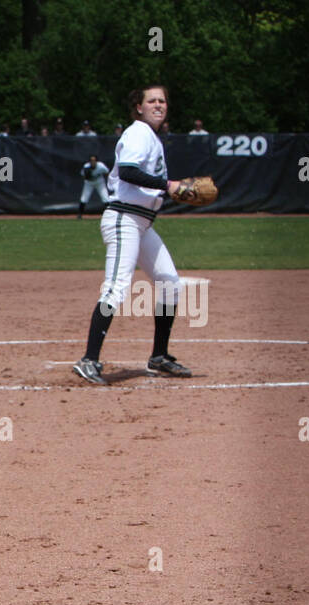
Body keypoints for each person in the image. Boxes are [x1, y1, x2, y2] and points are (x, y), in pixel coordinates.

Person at [72, 85, 193, 386]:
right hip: (124, 219)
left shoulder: (151, 137)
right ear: (138, 107)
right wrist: (169, 185)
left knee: (168, 282)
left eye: (162, 101)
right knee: (116, 288)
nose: (158, 105)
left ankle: (159, 356)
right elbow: (127, 171)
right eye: (151, 100)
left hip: (142, 223)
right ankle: (88, 360)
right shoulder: (138, 132)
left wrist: (168, 190)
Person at [78, 154, 110, 218]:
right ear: (89, 162)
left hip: (99, 182)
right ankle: (80, 215)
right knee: (84, 198)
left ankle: (109, 215)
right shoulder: (86, 166)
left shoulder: (101, 166)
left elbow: (107, 172)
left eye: (94, 160)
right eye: (91, 161)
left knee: (105, 198)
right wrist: (87, 176)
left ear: (96, 161)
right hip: (89, 183)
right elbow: (83, 176)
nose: (93, 162)